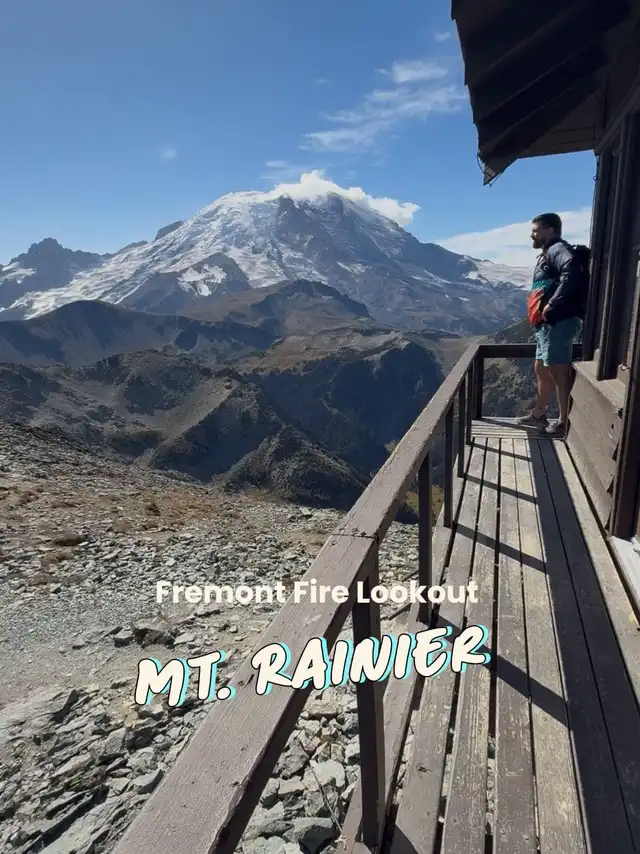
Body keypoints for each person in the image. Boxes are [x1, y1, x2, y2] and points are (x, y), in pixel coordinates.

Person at [516, 212, 587, 437]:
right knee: (541, 368)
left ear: (550, 230)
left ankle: (563, 422)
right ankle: (538, 415)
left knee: (558, 372)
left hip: (559, 321)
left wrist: (553, 304)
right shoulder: (549, 252)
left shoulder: (558, 249)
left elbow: (572, 269)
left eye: (536, 230)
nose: (532, 235)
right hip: (548, 325)